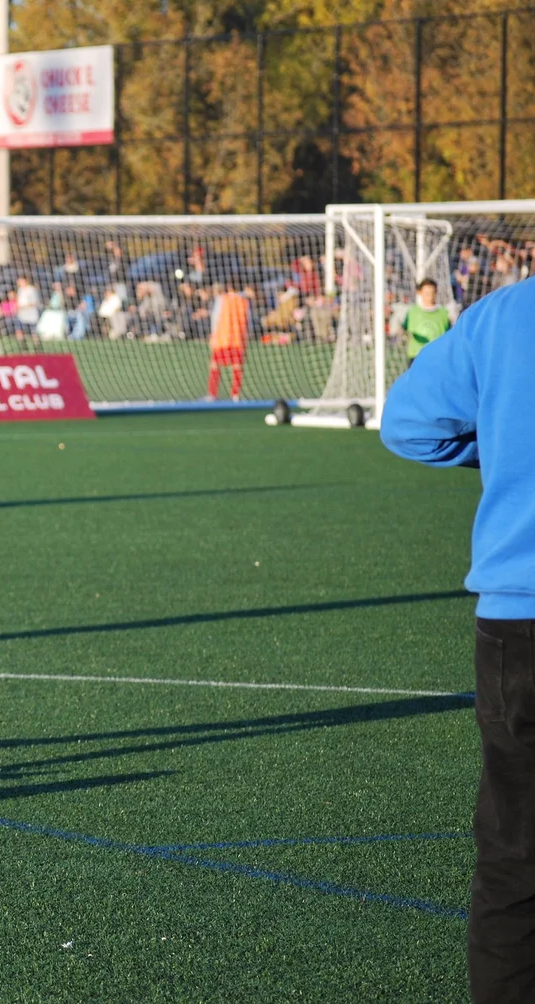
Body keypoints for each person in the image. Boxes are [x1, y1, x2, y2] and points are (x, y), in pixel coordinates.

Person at [380, 275, 535, 1003]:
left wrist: (504, 453)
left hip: (518, 618)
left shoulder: (503, 312)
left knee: (515, 858)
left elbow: (407, 425)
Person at [206, 281, 250, 401]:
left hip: (222, 338)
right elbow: (248, 321)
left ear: (229, 286)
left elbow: (215, 317)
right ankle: (235, 394)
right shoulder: (244, 301)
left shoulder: (222, 299)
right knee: (237, 367)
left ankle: (212, 394)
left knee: (215, 365)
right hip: (238, 339)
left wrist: (213, 334)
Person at [402, 279, 454, 365]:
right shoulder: (413, 311)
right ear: (419, 293)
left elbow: (449, 332)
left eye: (432, 292)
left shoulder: (443, 312)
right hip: (416, 355)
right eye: (426, 293)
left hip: (437, 356)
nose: (430, 296)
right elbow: (404, 328)